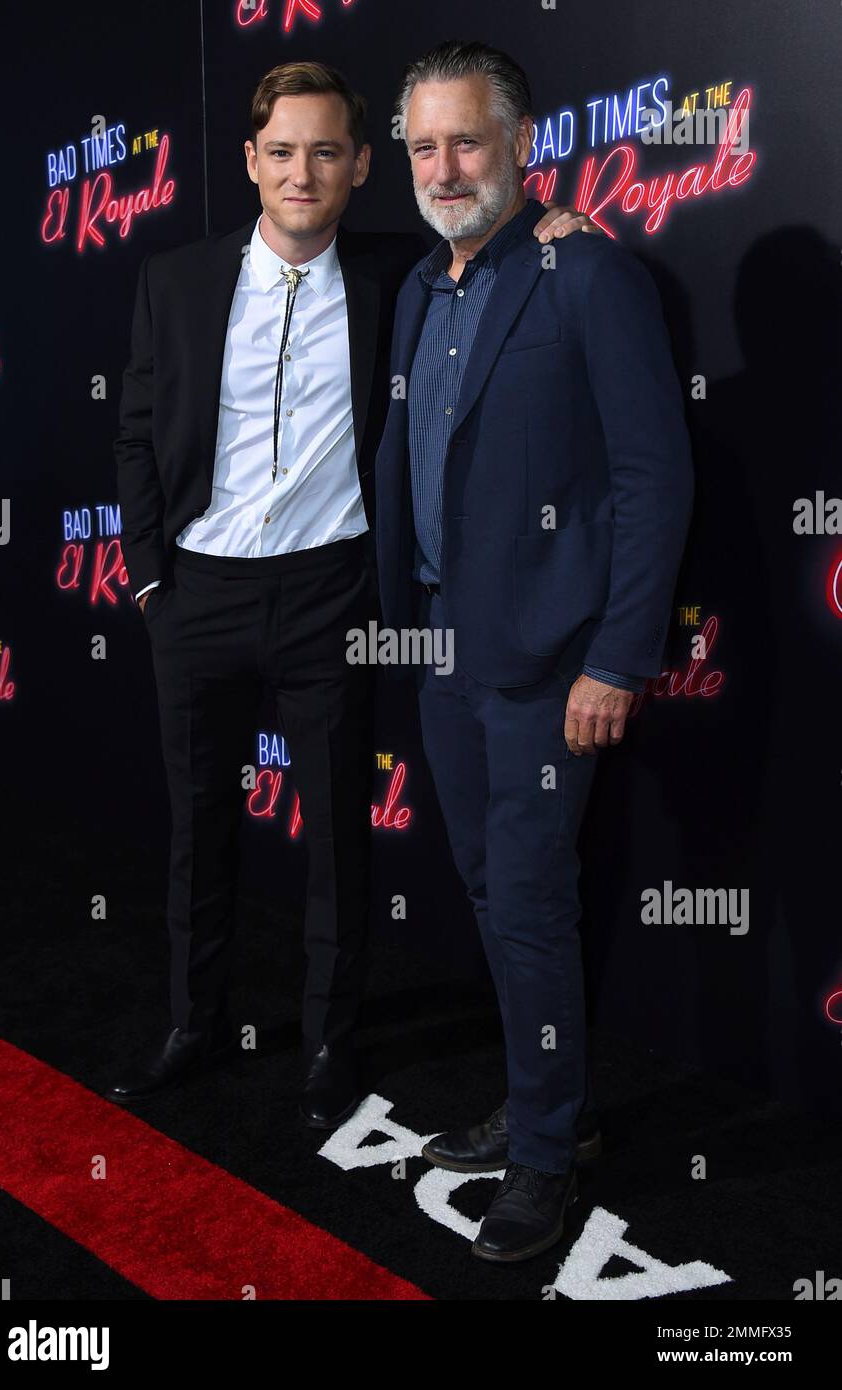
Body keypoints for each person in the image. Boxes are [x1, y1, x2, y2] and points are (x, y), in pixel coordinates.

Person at [109, 59, 594, 1127]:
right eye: (281, 151)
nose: (302, 172)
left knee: (337, 832)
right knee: (199, 830)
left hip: (335, 597)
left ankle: (329, 1045)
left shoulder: (400, 277)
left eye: (326, 152)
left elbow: (493, 234)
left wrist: (559, 223)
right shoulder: (175, 280)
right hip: (197, 596)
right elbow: (138, 432)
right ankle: (193, 1026)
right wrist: (150, 577)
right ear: (249, 161)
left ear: (360, 165)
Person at [375, 41, 694, 1261]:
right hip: (443, 647)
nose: (443, 168)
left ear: (519, 144)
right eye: (421, 147)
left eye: (465, 141)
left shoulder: (584, 276)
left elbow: (650, 475)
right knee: (490, 895)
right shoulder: (418, 291)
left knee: (525, 902)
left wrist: (615, 659)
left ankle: (549, 1153)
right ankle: (539, 1092)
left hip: (552, 665)